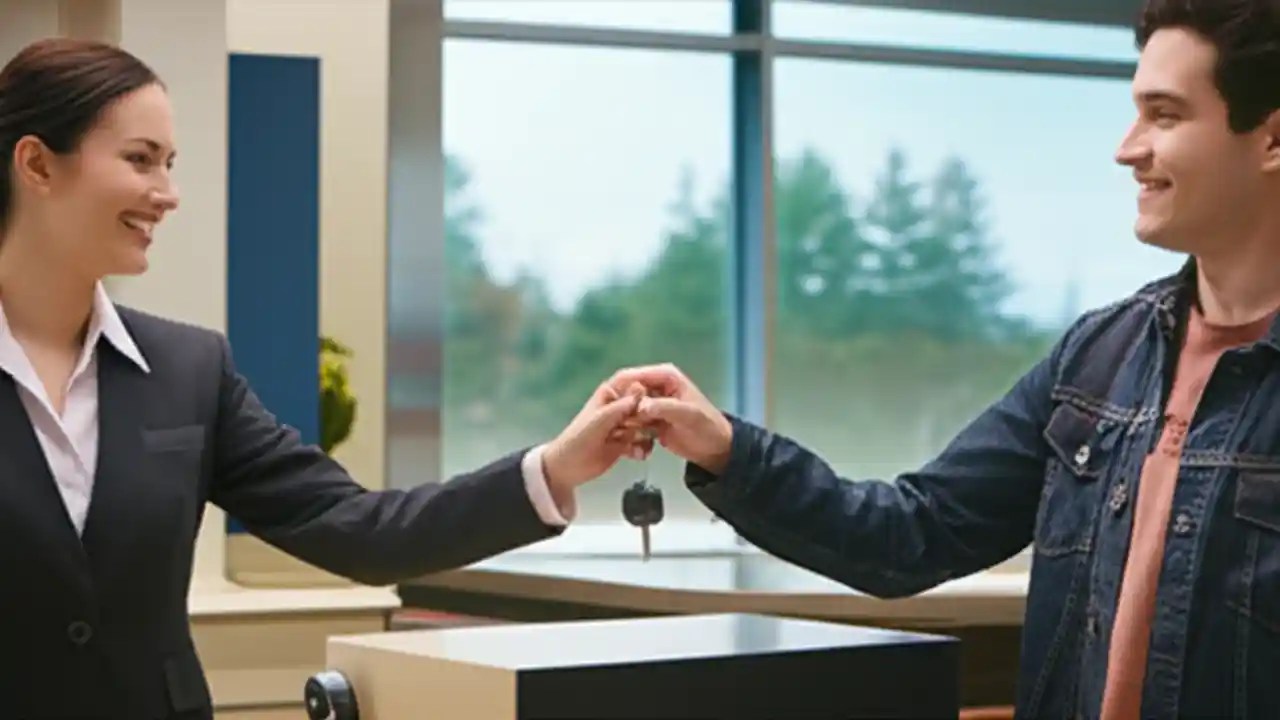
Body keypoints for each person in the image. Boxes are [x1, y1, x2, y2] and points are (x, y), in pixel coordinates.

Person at [596, 1, 1280, 718]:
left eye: (1164, 116)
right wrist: (727, 450)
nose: (1126, 147)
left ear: (1269, 139)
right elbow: (909, 535)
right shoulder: (1096, 359)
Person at [0, 38, 642, 719]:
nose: (168, 195)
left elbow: (361, 529)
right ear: (38, 164)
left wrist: (556, 469)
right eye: (140, 160)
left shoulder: (189, 370)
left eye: (170, 164)